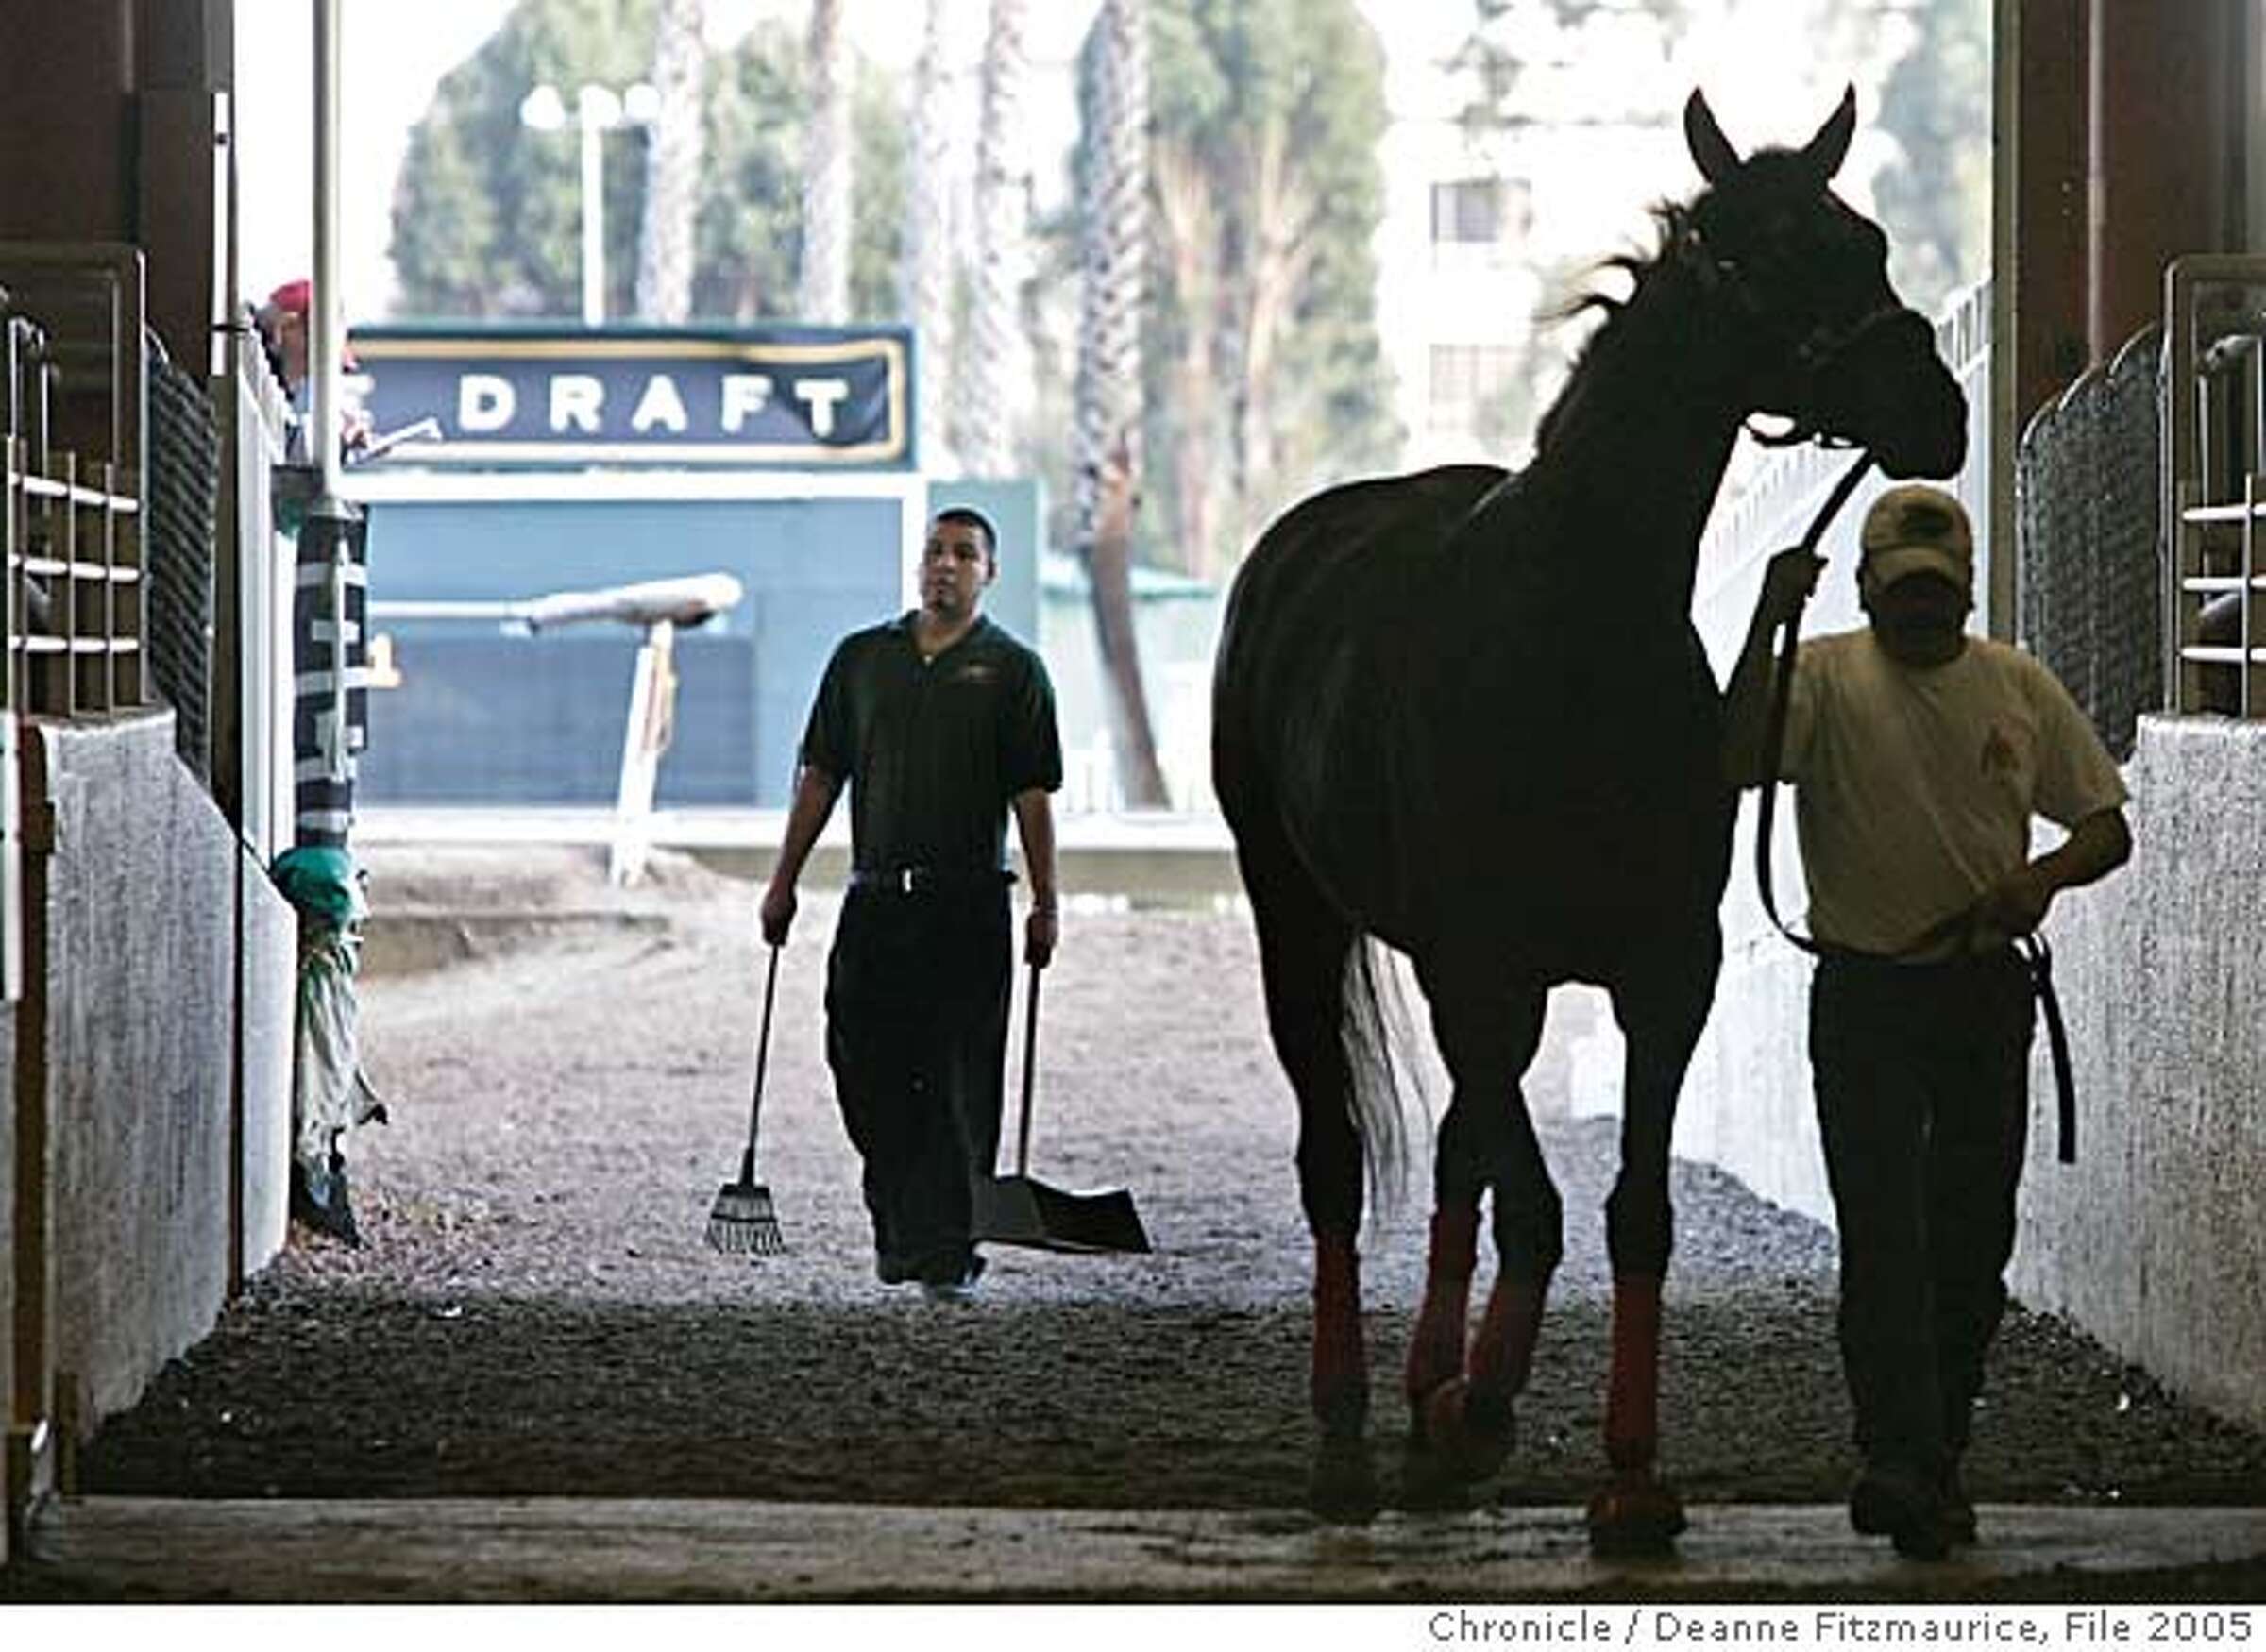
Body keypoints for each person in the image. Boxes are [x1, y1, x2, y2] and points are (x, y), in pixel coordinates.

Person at [1720, 482, 2132, 1559]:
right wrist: (1770, 619)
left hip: (1981, 991)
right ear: (1865, 588)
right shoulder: (1817, 676)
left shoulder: (2014, 686)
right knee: (1883, 1231)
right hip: (1864, 995)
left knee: (1967, 1231)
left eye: (1938, 594)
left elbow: (2105, 826)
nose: (1921, 613)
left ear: (1967, 589)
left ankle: (1934, 1450)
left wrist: (2039, 878)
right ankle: (1895, 1453)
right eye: (1902, 594)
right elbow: (1731, 758)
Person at [760, 506, 1063, 1303]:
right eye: (935, 551)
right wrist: (782, 880)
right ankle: (904, 1225)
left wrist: (1047, 902)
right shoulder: (862, 661)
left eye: (964, 554)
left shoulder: (1013, 671)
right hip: (876, 906)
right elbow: (821, 777)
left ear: (988, 573)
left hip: (969, 909)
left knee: (961, 1085)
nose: (946, 565)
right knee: (865, 1068)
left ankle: (947, 1249)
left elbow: (1032, 797)